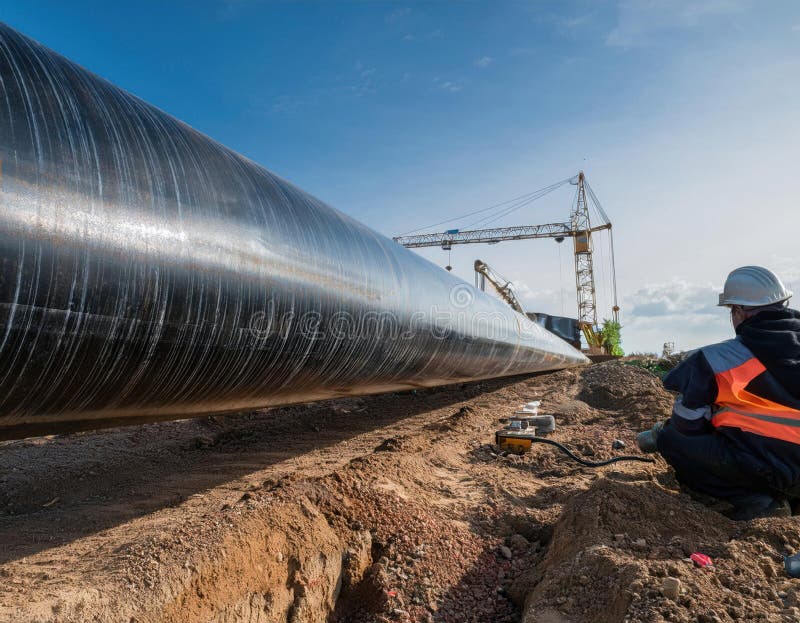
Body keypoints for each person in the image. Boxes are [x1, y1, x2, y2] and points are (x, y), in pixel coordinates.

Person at [637, 266, 800, 520]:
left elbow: (686, 425)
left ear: (739, 311)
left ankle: (757, 501)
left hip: (768, 470)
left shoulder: (716, 359)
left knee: (670, 438)